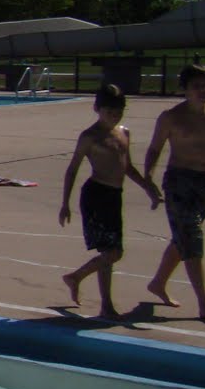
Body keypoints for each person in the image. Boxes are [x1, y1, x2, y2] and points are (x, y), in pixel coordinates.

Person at [143, 64, 205, 320]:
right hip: (179, 183)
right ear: (185, 89)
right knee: (192, 240)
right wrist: (148, 178)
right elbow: (154, 148)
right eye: (196, 86)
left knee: (183, 239)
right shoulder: (171, 117)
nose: (203, 90)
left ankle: (157, 283)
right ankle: (204, 303)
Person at [58, 85, 161, 319]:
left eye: (119, 111)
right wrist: (65, 203)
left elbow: (127, 167)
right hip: (96, 196)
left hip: (115, 196)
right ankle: (82, 282)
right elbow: (72, 169)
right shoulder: (90, 136)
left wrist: (148, 188)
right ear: (97, 109)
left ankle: (97, 297)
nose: (114, 116)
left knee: (112, 252)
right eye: (109, 111)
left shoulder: (124, 133)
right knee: (112, 253)